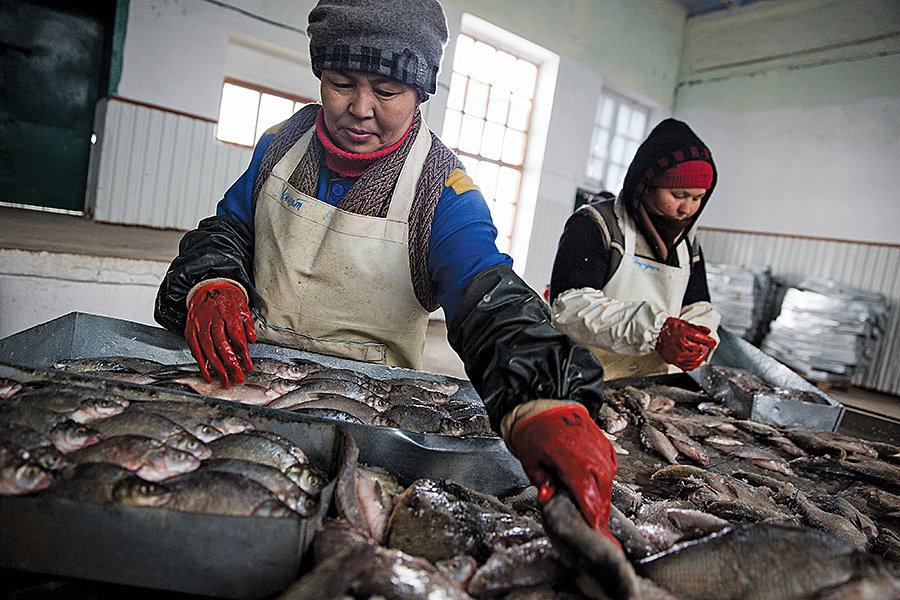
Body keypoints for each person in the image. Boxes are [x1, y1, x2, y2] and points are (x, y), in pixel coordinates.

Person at [154, 0, 619, 546]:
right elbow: (229, 228)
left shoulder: (443, 192)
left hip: (370, 423)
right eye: (341, 82)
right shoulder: (281, 145)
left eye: (387, 90)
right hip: (246, 385)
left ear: (421, 93)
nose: (359, 107)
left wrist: (542, 398)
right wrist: (214, 280)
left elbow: (488, 297)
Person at [548, 118, 721, 380]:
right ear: (645, 185)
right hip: (584, 380)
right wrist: (656, 332)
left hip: (650, 385)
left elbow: (697, 306)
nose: (688, 209)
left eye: (698, 198)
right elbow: (569, 307)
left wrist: (697, 337)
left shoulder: (687, 242)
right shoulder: (597, 225)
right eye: (678, 196)